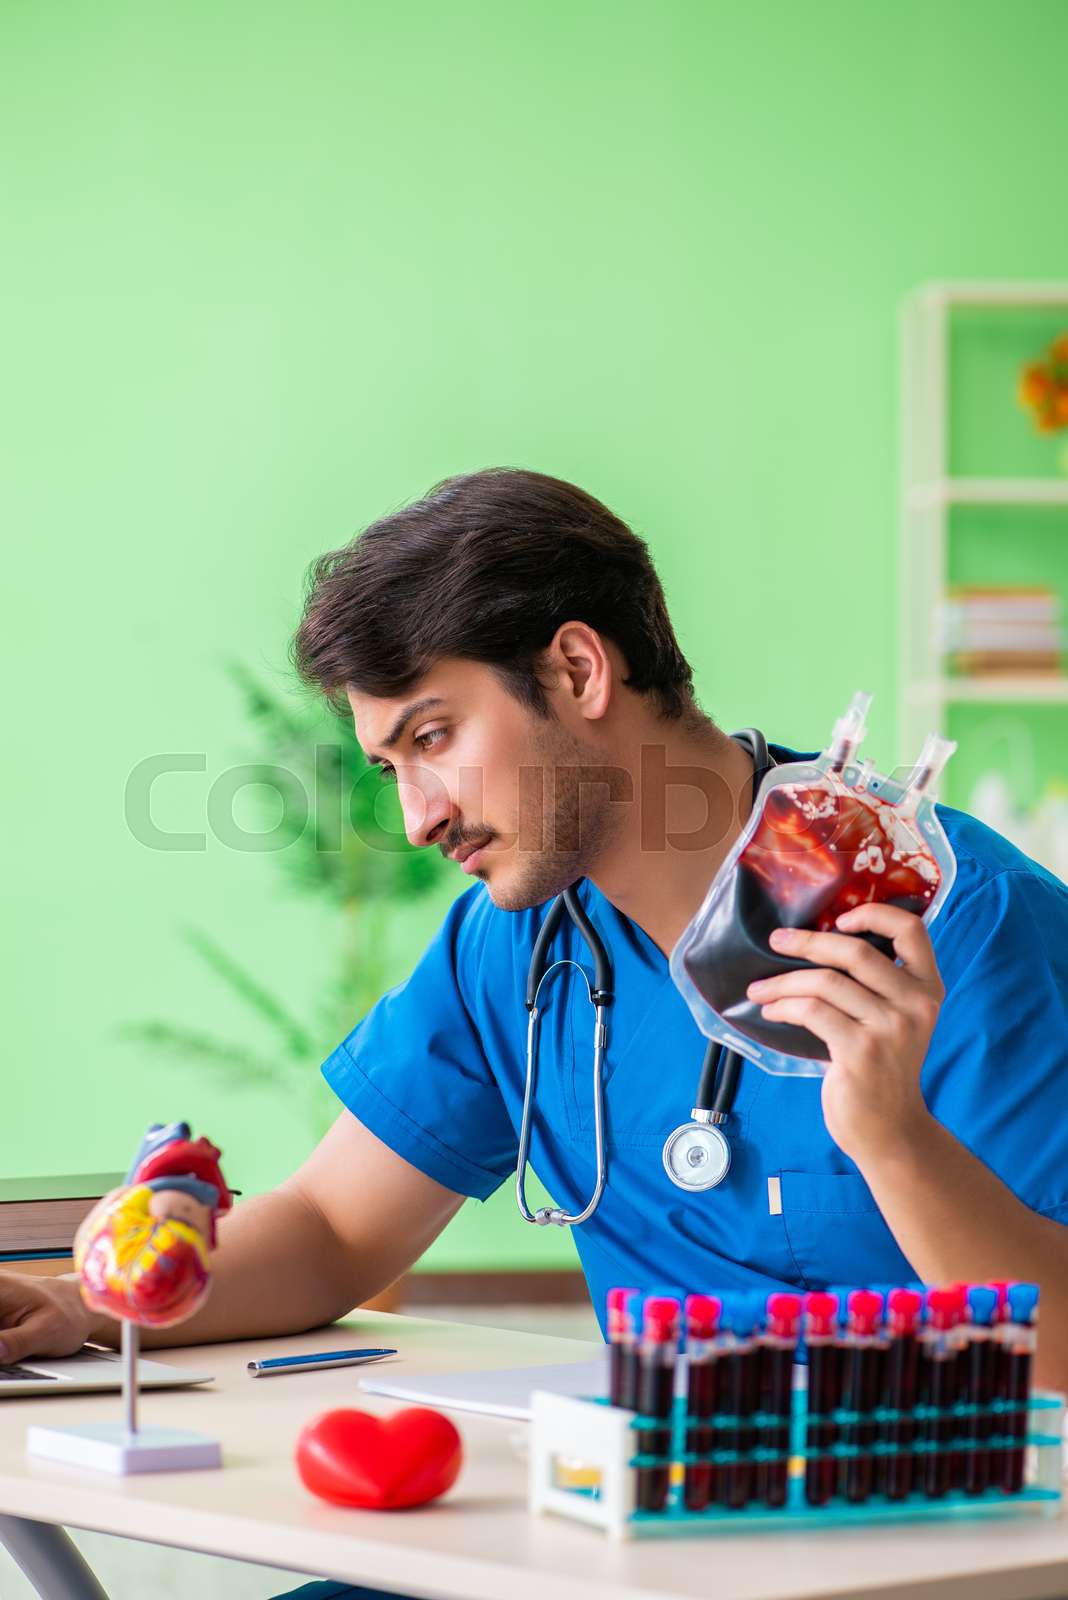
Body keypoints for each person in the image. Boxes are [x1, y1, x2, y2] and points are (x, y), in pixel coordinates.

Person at [3, 471, 1067, 1399]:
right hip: (625, 1527)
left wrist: (894, 1141)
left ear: (577, 671)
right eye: (392, 767)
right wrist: (76, 1305)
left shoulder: (958, 924)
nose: (419, 817)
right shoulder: (514, 946)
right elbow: (333, 1231)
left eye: (433, 736)